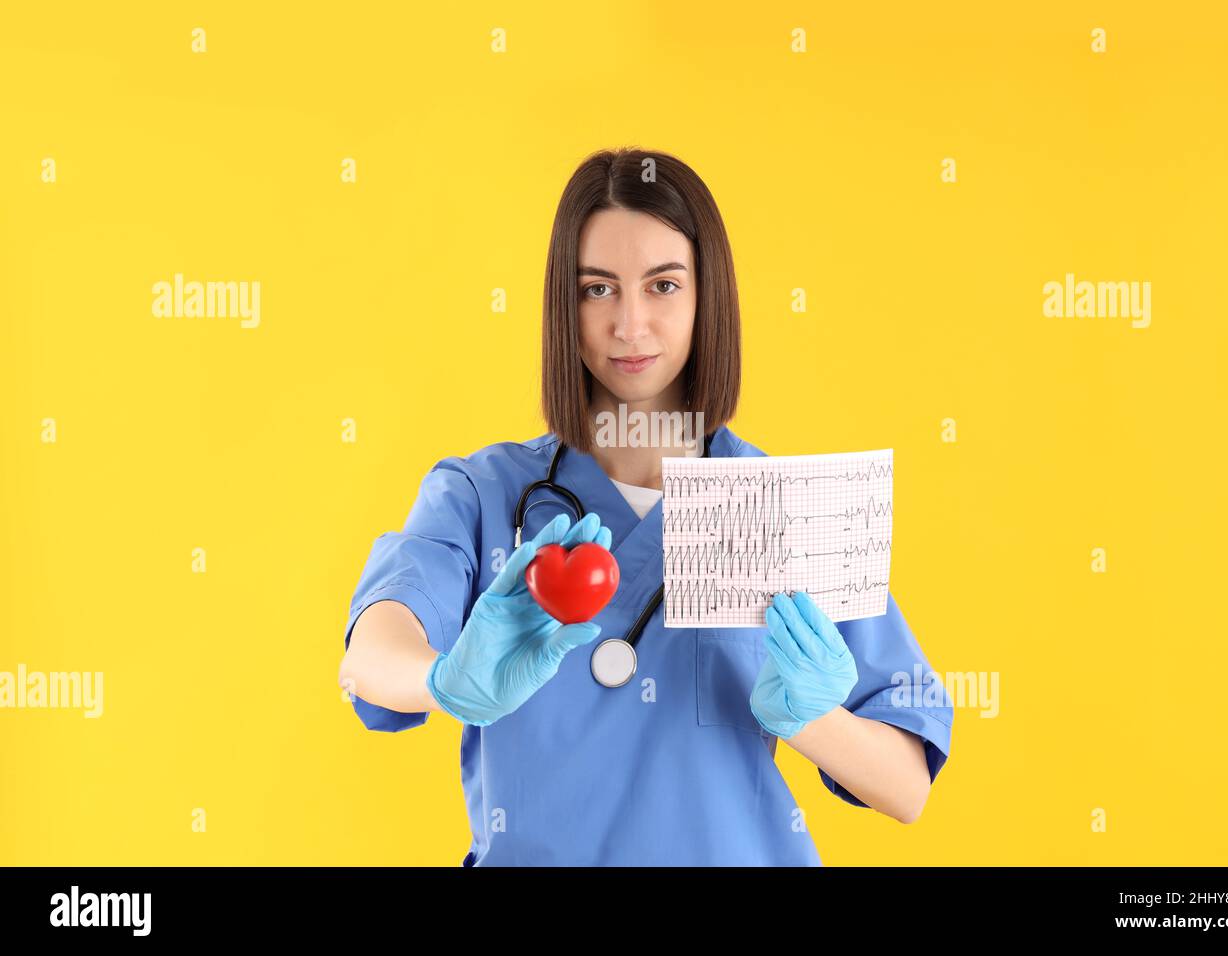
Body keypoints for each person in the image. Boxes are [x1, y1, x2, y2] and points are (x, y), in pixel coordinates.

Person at [337, 147, 954, 866]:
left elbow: (906, 787)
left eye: (663, 286)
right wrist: (444, 681)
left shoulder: (783, 506)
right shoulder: (485, 493)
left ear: (707, 298)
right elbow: (370, 656)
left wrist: (812, 718)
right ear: (562, 306)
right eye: (597, 289)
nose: (629, 325)